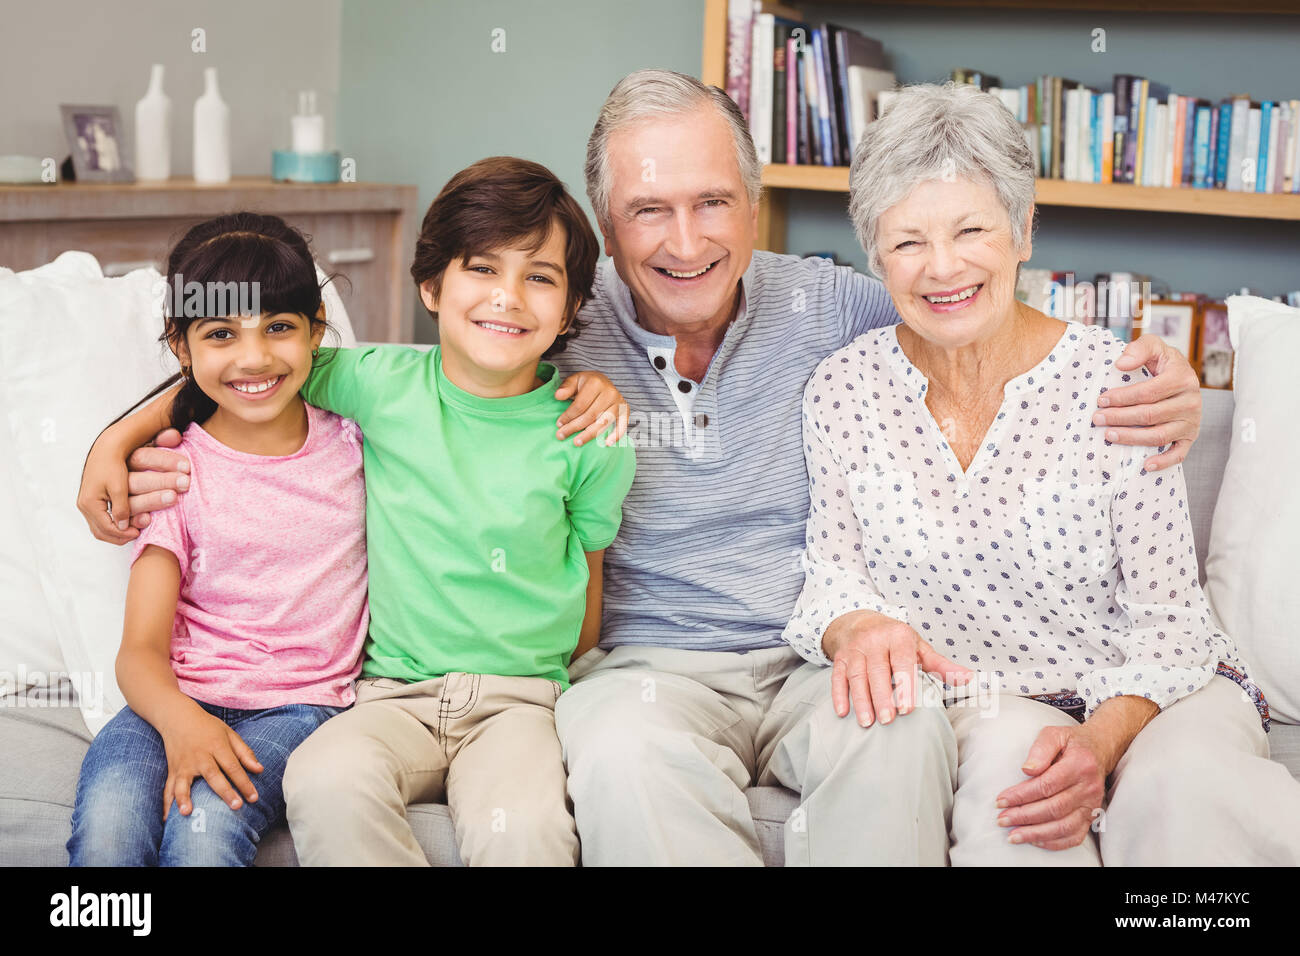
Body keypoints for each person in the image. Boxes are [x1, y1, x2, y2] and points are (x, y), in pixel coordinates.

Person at [90, 71, 1206, 866]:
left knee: (901, 722)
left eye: (712, 201)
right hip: (643, 666)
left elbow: (964, 295)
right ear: (604, 228)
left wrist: (1153, 370)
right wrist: (124, 430)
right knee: (619, 749)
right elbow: (292, 367)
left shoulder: (833, 303)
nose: (685, 238)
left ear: (753, 201)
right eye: (647, 210)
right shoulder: (546, 324)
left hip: (813, 649)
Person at [783, 81, 1300, 865]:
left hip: (1157, 691)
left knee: (1181, 797)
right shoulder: (844, 390)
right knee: (1016, 811)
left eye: (971, 229)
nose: (943, 266)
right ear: (874, 253)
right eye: (908, 240)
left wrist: (1099, 738)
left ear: (1024, 229)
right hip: (992, 706)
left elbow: (1171, 627)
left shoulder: (1125, 389)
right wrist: (857, 625)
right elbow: (833, 576)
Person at [77, 159, 636, 866]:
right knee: (323, 779)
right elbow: (247, 376)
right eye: (483, 270)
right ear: (432, 286)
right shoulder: (376, 383)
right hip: (389, 695)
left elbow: (590, 590)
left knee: (523, 831)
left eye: (539, 277)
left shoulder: (588, 433)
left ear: (573, 306)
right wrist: (114, 439)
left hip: (518, 701)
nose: (508, 298)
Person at [67, 213, 367, 865]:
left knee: (206, 829)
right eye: (221, 334)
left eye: (279, 328)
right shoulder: (175, 471)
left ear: (317, 328)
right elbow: (138, 653)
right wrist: (182, 721)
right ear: (182, 345)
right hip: (172, 701)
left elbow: (459, 383)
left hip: (300, 706)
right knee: (109, 831)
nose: (254, 357)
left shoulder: (356, 444)